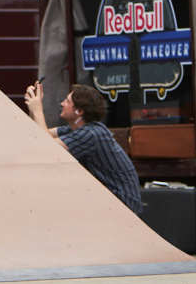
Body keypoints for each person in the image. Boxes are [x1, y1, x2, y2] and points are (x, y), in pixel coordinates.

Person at [24, 81, 143, 213]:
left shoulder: (91, 134)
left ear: (79, 111)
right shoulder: (79, 129)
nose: (62, 103)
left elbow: (46, 146)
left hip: (123, 204)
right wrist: (33, 107)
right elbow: (39, 135)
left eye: (67, 101)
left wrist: (38, 109)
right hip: (111, 201)